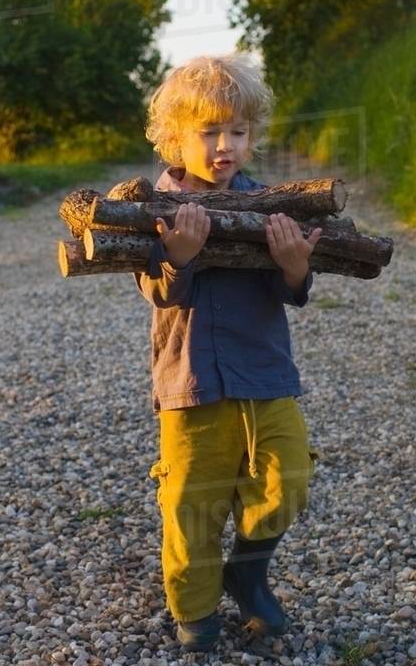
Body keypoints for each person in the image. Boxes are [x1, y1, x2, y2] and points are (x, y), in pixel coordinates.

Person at [133, 53, 322, 653]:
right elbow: (156, 290)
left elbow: (286, 291)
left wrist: (295, 269)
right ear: (174, 138)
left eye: (237, 132)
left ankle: (249, 566)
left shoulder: (266, 204)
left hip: (264, 373)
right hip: (191, 386)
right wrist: (178, 257)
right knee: (191, 508)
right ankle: (194, 609)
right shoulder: (155, 209)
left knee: (289, 479)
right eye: (209, 132)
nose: (225, 145)